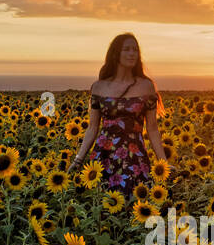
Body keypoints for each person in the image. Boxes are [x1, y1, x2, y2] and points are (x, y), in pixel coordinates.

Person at [71, 33, 167, 195]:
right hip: (103, 154)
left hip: (134, 156)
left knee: (134, 202)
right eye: (127, 49)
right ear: (116, 53)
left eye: (135, 50)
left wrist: (164, 163)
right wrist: (79, 159)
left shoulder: (146, 86)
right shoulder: (99, 87)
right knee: (102, 203)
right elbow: (93, 128)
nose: (132, 54)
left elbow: (152, 129)